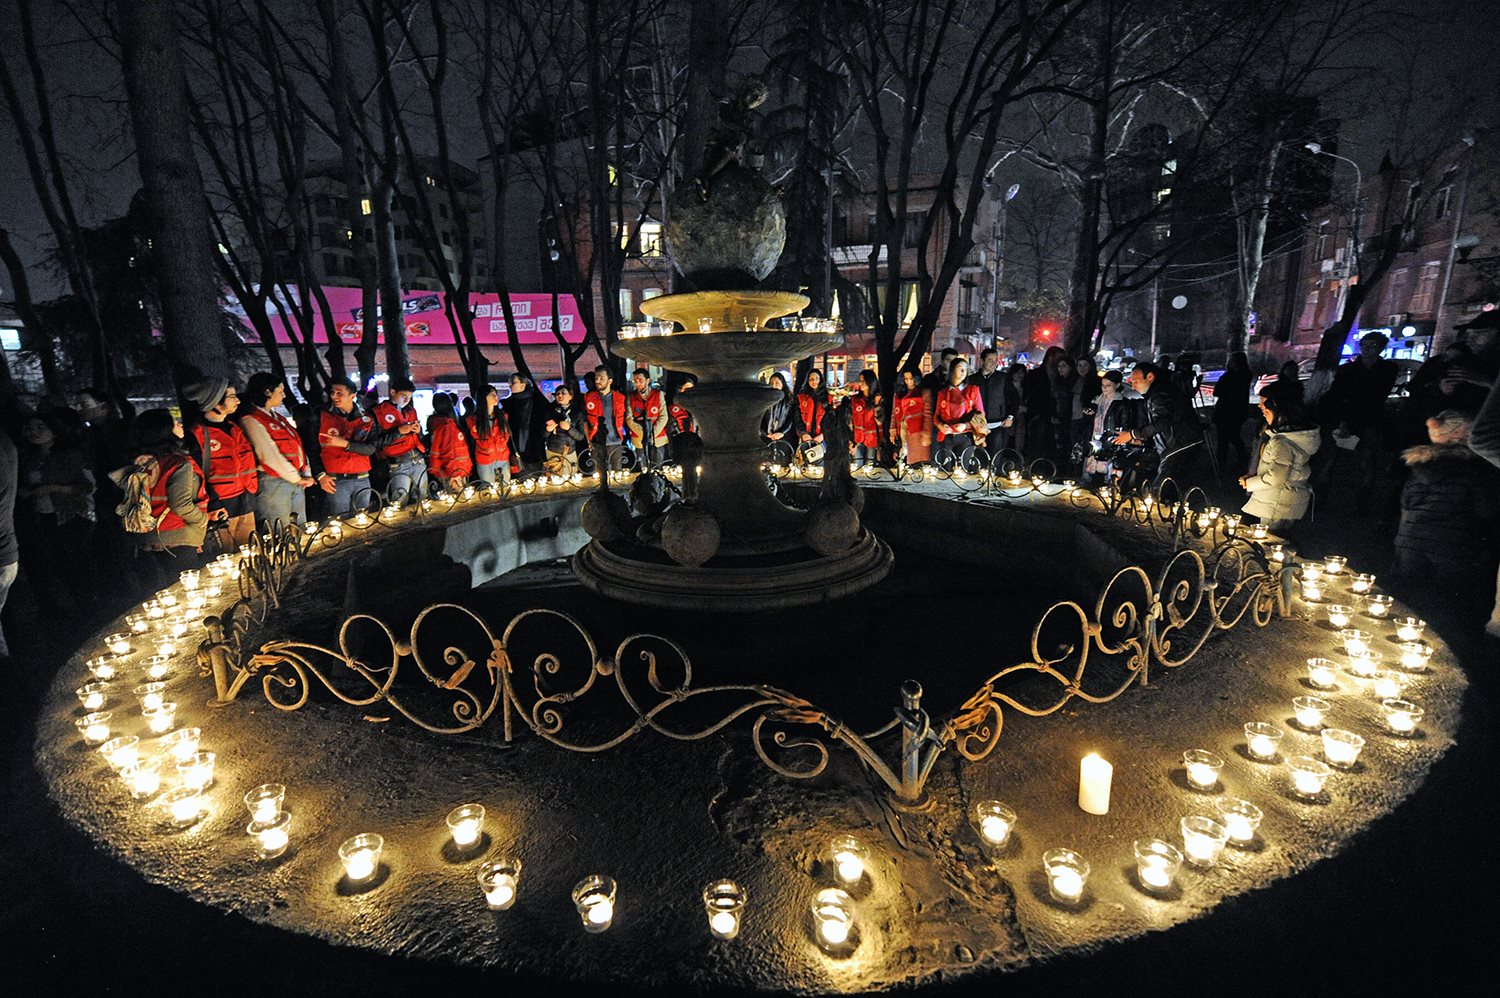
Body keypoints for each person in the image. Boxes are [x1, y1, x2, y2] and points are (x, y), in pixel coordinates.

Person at [1392, 410, 1500, 613]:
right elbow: (1488, 510)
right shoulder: (1477, 469)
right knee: (1446, 610)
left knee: (1408, 607)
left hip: (1410, 545)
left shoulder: (1420, 467)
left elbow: (1406, 506)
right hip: (1455, 550)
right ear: (1462, 434)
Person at [16, 411, 97, 614]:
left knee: (76, 562)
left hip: (72, 515)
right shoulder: (28, 459)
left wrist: (54, 488)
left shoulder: (70, 456)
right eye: (29, 429)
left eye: (40, 428)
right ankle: (77, 606)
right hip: (44, 516)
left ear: (54, 431)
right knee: (58, 562)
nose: (34, 432)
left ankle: (91, 606)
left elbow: (88, 486)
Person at [1318, 331, 1398, 509]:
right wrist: (1342, 420)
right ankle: (1320, 499)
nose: (1367, 350)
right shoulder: (1348, 370)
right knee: (1330, 460)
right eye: (1364, 345)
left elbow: (1377, 395)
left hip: (1370, 419)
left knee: (1367, 461)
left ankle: (1361, 503)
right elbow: (1338, 395)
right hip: (1345, 419)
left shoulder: (1388, 369)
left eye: (1373, 346)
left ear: (1381, 348)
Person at [128, 408, 209, 584]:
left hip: (147, 538)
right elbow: (180, 504)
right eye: (174, 423)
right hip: (178, 537)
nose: (180, 425)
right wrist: (202, 519)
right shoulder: (176, 463)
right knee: (186, 588)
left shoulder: (137, 464)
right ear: (165, 432)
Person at [183, 378, 258, 551]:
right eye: (232, 397)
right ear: (215, 402)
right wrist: (214, 504)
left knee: (252, 552)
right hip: (221, 506)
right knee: (228, 557)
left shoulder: (234, 428)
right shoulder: (197, 435)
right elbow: (196, 475)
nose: (237, 401)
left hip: (245, 499)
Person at [241, 372, 316, 530]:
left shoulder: (277, 418)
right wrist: (297, 478)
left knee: (300, 529)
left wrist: (305, 473)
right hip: (273, 482)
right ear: (267, 392)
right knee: (279, 531)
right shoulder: (252, 419)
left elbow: (297, 447)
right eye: (280, 391)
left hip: (295, 479)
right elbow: (269, 455)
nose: (284, 395)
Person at [1239, 395, 1320, 534]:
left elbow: (1276, 477)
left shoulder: (1282, 442)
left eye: (1267, 412)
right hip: (1288, 499)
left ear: (1280, 415)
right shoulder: (1298, 437)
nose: (1264, 415)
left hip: (1276, 502)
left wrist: (1249, 483)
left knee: (1270, 539)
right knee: (1282, 538)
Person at [1112, 361, 1202, 485]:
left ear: (1150, 377)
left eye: (1135, 381)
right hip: (1178, 444)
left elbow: (1162, 422)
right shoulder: (1157, 392)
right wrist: (1143, 439)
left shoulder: (1160, 395)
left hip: (1179, 445)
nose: (1133, 387)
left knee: (1162, 486)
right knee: (1168, 484)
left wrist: (1132, 434)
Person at [316, 378, 391, 514]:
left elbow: (371, 448)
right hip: (336, 480)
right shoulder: (322, 416)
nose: (334, 396)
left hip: (362, 477)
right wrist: (320, 475)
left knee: (362, 519)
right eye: (332, 393)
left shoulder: (366, 419)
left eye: (339, 393)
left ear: (352, 395)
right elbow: (312, 449)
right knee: (340, 521)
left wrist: (346, 444)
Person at [372, 377, 427, 503]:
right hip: (398, 462)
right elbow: (375, 443)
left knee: (422, 499)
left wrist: (418, 431)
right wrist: (398, 432)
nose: (406, 400)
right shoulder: (378, 412)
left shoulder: (410, 410)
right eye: (403, 396)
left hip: (418, 459)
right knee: (400, 500)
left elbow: (421, 437)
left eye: (410, 397)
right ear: (393, 392)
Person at [933, 357, 984, 468]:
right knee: (946, 469)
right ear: (952, 370)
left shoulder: (972, 390)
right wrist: (941, 426)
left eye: (966, 369)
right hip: (947, 436)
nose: (963, 372)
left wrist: (966, 425)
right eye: (960, 368)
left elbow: (980, 415)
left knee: (963, 469)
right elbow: (936, 415)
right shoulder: (943, 392)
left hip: (965, 436)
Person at [1022, 346, 1066, 463]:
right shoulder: (1035, 374)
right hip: (1039, 414)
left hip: (1054, 415)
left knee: (1051, 446)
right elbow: (1031, 394)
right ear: (1051, 357)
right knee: (1036, 444)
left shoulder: (1060, 375)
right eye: (1058, 358)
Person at [501, 373, 549, 475]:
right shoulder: (507, 404)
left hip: (534, 449)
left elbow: (544, 424)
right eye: (509, 383)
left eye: (513, 383)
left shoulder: (537, 401)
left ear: (523, 385)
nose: (510, 386)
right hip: (513, 450)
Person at [1214, 351, 1253, 473]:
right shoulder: (1246, 375)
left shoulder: (1229, 376)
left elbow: (1217, 391)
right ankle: (1243, 458)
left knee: (1223, 439)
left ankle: (1221, 464)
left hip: (1225, 411)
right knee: (1234, 436)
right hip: (1239, 411)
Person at [584, 366, 629, 472]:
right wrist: (589, 440)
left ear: (609, 381)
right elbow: (585, 421)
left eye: (601, 378)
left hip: (615, 441)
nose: (597, 381)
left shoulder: (620, 398)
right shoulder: (589, 398)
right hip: (596, 442)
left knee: (617, 472)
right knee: (598, 473)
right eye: (596, 378)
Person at [426, 393, 473, 493]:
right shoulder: (448, 426)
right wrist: (455, 473)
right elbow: (452, 451)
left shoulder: (436, 423)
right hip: (454, 470)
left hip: (444, 468)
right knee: (458, 498)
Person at [466, 385, 512, 486]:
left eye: (496, 394)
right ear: (483, 398)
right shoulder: (473, 420)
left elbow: (507, 436)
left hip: (503, 457)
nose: (496, 397)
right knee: (489, 488)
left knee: (506, 487)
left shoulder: (503, 416)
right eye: (492, 395)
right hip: (485, 459)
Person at [626, 369, 670, 469]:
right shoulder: (631, 397)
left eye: (640, 380)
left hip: (658, 438)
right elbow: (629, 419)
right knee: (643, 468)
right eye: (635, 381)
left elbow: (663, 416)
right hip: (639, 438)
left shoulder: (658, 395)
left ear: (648, 380)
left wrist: (652, 433)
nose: (637, 383)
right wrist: (644, 434)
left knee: (657, 467)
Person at [968, 348, 1012, 445]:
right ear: (982, 361)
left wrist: (1010, 416)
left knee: (995, 452)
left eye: (995, 360)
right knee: (977, 452)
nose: (994, 363)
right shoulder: (972, 380)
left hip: (998, 424)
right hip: (976, 425)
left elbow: (1012, 398)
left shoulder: (1003, 378)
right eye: (990, 360)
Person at [892, 368, 934, 466]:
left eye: (911, 378)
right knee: (904, 463)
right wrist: (892, 430)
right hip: (902, 430)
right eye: (905, 379)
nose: (908, 382)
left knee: (919, 462)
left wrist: (927, 433)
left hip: (917, 431)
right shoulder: (899, 394)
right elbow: (894, 413)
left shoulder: (923, 392)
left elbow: (928, 414)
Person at [848, 370, 882, 467]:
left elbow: (880, 421)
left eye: (863, 381)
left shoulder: (878, 399)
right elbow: (849, 421)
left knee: (869, 468)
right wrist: (850, 441)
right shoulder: (855, 400)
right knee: (856, 467)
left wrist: (877, 404)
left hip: (872, 439)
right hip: (856, 439)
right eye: (860, 380)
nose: (860, 383)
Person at [795, 369, 828, 465]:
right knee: (806, 465)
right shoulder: (801, 397)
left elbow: (831, 420)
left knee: (820, 466)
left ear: (820, 380)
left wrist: (823, 435)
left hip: (822, 438)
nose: (814, 381)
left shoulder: (828, 398)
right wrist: (803, 433)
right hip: (806, 437)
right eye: (811, 379)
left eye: (817, 378)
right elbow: (797, 418)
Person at [762, 372, 796, 453]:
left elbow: (791, 418)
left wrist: (782, 432)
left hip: (785, 436)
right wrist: (766, 433)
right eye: (771, 383)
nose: (774, 386)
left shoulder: (789, 399)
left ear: (782, 384)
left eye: (777, 383)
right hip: (768, 437)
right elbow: (760, 418)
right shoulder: (764, 400)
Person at [667, 379, 698, 467]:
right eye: (687, 389)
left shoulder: (698, 406)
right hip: (680, 444)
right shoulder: (673, 408)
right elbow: (670, 430)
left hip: (696, 443)